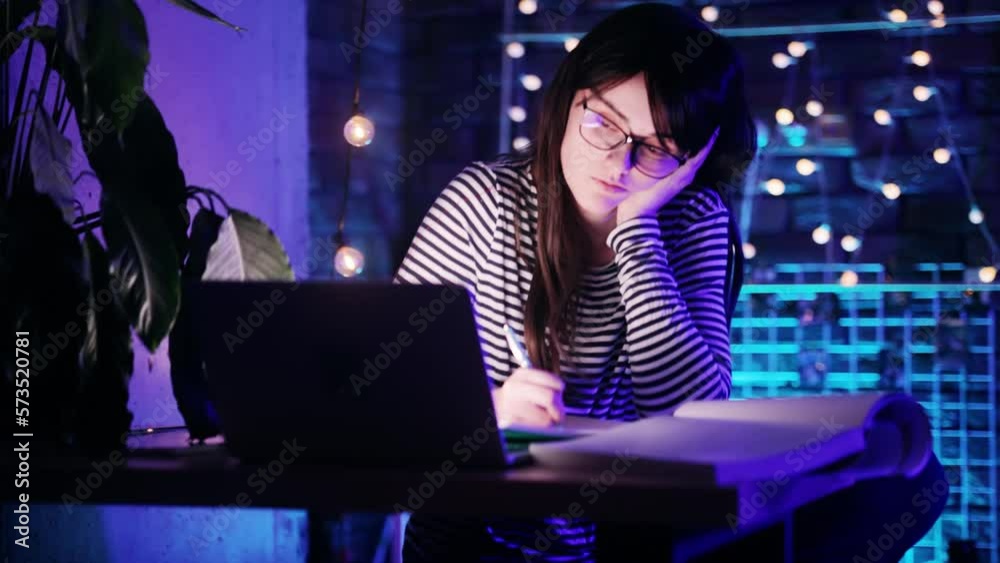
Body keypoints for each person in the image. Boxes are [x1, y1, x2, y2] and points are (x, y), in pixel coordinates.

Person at [392, 3, 947, 561]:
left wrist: (636, 231)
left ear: (692, 156)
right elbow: (387, 394)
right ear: (568, 101)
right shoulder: (485, 198)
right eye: (603, 122)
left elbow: (689, 410)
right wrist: (492, 413)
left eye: (657, 147)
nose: (619, 161)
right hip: (486, 526)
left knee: (911, 485)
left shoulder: (692, 216)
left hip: (631, 524)